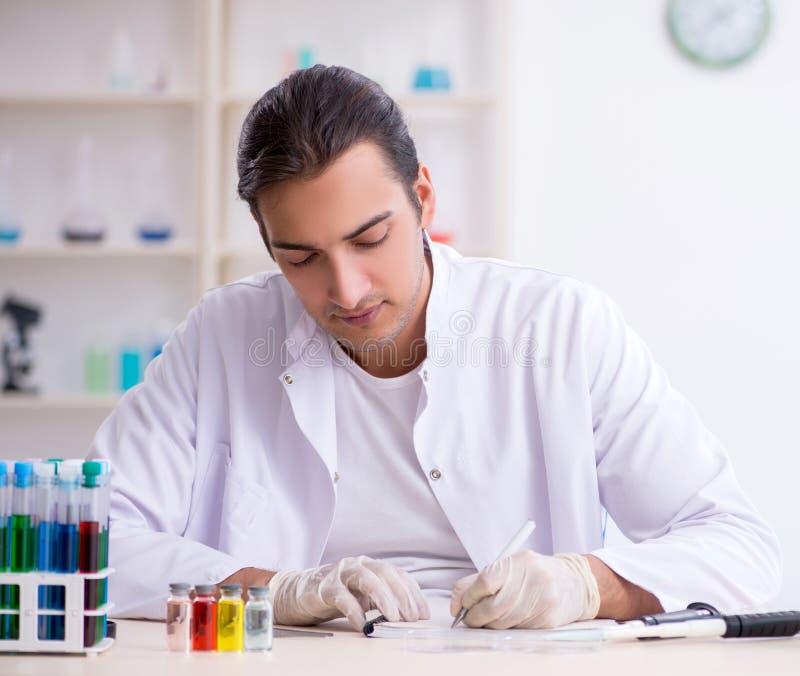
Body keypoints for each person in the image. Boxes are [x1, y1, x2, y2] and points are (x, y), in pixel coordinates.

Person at [89, 65, 781, 632]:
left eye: (369, 239)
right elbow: (91, 543)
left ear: (422, 197)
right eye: (301, 257)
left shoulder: (560, 326)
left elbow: (740, 550)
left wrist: (588, 585)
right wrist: (278, 592)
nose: (347, 288)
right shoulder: (225, 335)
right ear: (268, 245)